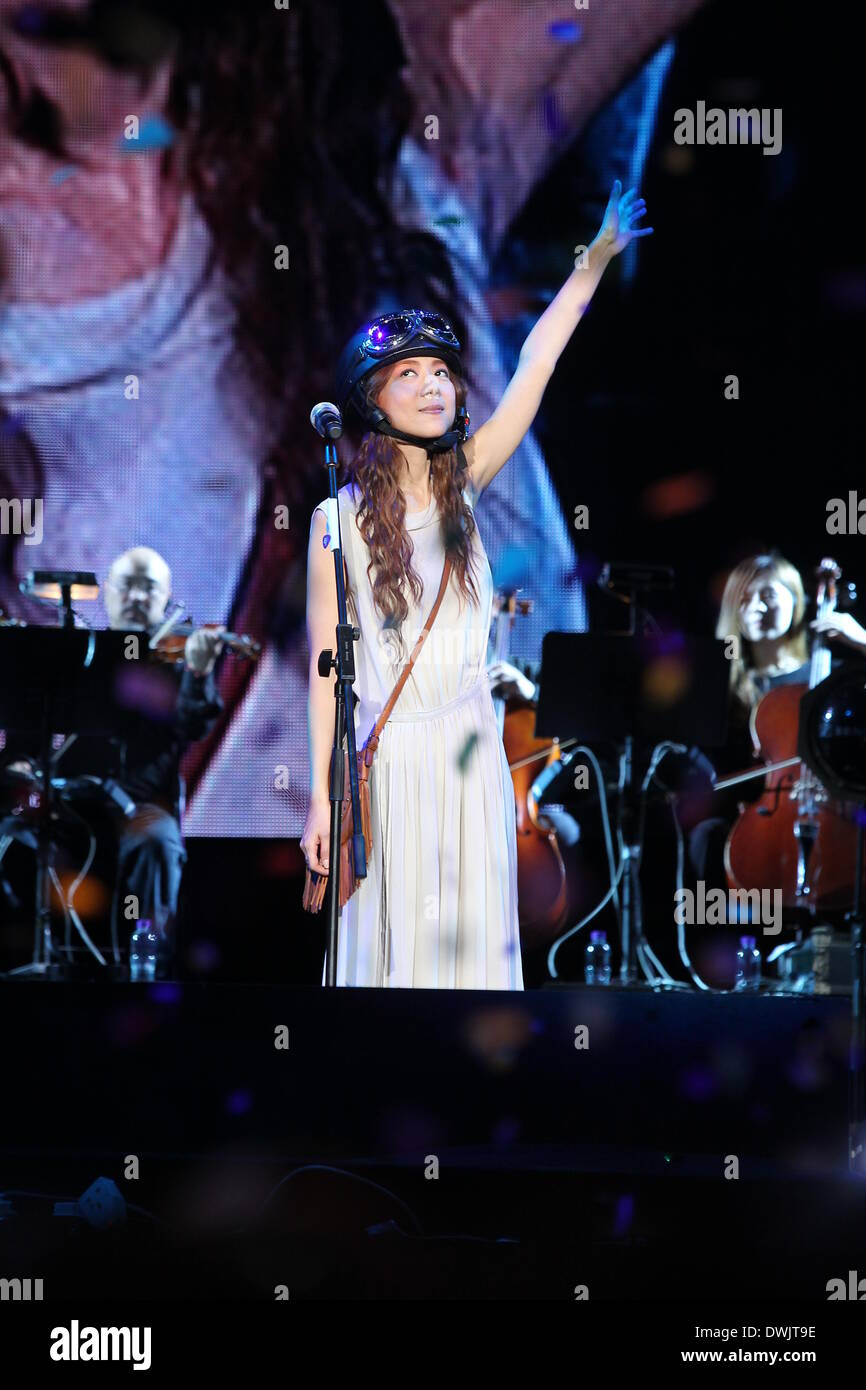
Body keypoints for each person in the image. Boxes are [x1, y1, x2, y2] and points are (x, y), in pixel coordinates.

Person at [302, 183, 652, 988]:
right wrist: (322, 801)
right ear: (372, 401)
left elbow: (536, 361)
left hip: (469, 762)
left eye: (440, 373)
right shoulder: (336, 519)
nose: (433, 386)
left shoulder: (467, 481)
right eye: (409, 375)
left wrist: (594, 258)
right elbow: (323, 671)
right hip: (386, 771)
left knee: (468, 975)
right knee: (388, 971)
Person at [0, 546, 224, 972]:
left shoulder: (177, 661)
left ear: (168, 597)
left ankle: (145, 959)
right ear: (107, 593)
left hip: (140, 805)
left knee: (157, 840)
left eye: (151, 588)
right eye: (129, 587)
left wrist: (197, 674)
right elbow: (33, 721)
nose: (138, 598)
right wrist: (21, 765)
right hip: (70, 800)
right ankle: (30, 952)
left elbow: (195, 724)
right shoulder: (80, 653)